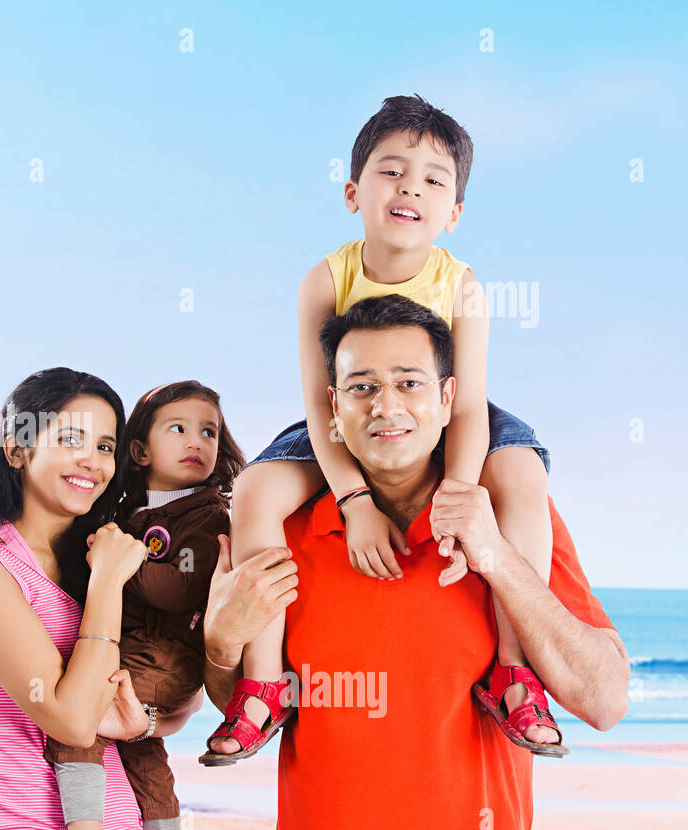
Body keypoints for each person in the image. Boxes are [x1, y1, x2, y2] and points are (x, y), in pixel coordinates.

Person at [202, 295, 629, 830]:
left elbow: (604, 701)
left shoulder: (514, 521)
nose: (386, 407)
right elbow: (244, 705)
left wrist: (495, 557)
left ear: (449, 397)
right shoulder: (280, 526)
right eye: (362, 387)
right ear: (330, 407)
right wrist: (221, 642)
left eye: (409, 383)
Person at [205, 94, 564, 762]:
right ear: (352, 192)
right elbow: (321, 405)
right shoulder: (325, 279)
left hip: (444, 407)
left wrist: (458, 500)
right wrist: (355, 501)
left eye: (433, 179)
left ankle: (516, 673)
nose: (410, 188)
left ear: (454, 213)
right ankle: (262, 686)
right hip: (347, 414)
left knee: (520, 472)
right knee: (254, 492)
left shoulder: (462, 288)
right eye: (391, 171)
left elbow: (469, 404)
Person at [0, 367, 156, 830]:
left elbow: (159, 703)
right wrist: (106, 583)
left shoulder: (96, 557)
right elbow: (73, 723)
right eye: (71, 438)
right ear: (17, 450)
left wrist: (143, 721)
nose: (92, 461)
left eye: (105, 446)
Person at [42, 380, 245, 830]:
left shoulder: (207, 516)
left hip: (164, 659)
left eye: (209, 432)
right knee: (146, 760)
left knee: (82, 720)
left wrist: (117, 564)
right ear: (140, 449)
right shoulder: (130, 511)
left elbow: (181, 588)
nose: (197, 441)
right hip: (141, 657)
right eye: (178, 429)